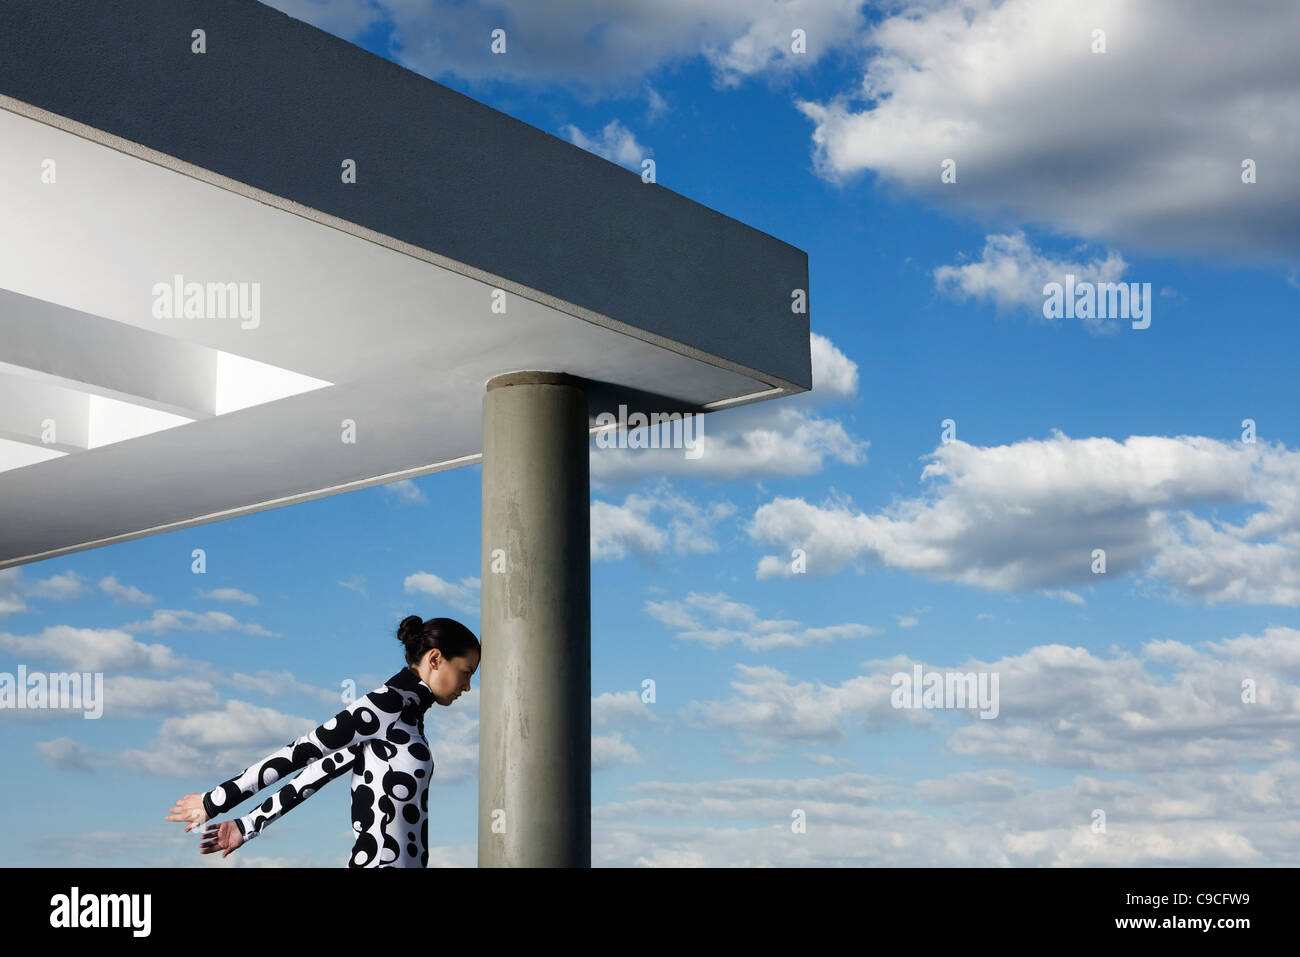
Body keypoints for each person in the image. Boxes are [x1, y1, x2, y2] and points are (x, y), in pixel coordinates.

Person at [166, 615, 480, 867]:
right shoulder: (387, 703)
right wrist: (215, 801)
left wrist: (248, 824)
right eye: (466, 672)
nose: (466, 686)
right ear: (436, 659)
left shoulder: (408, 714)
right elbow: (302, 751)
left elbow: (323, 770)